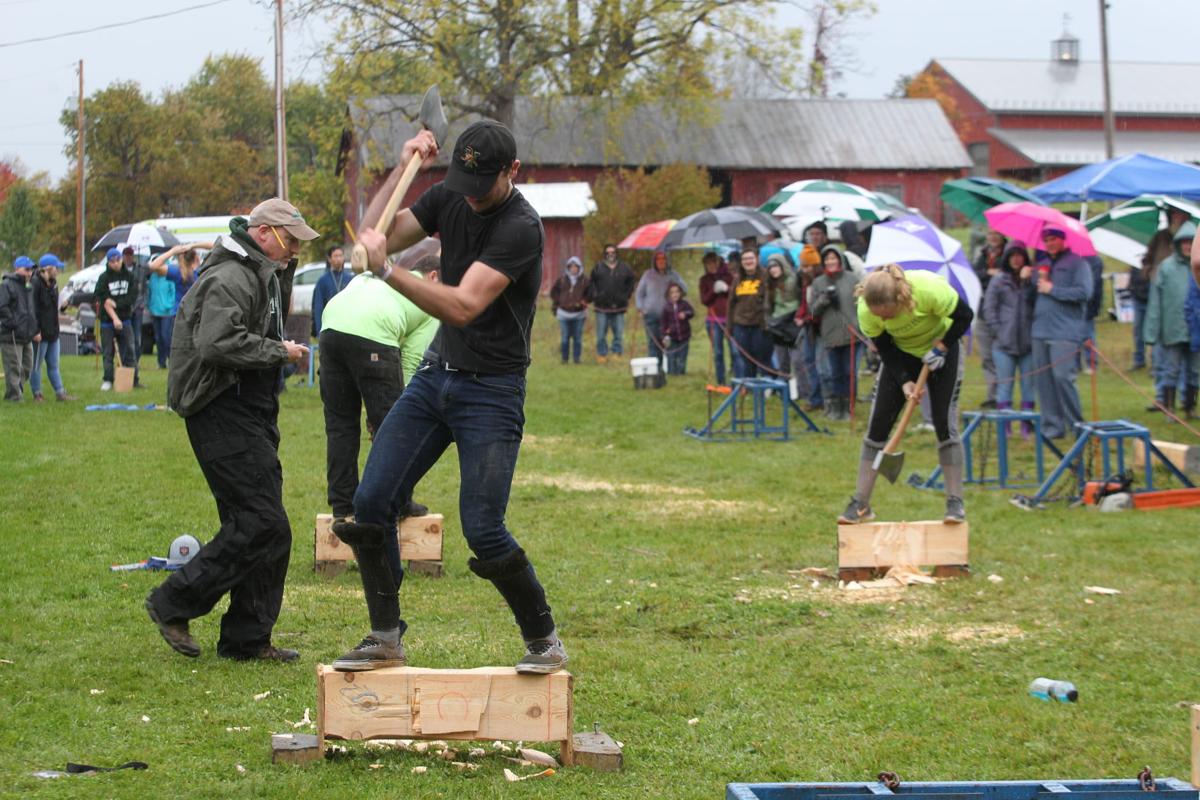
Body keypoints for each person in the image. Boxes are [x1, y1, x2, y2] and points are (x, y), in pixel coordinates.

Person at [331, 119, 567, 675]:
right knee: (370, 502)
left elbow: (461, 305)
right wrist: (400, 165)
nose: (469, 191)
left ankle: (544, 640)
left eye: (482, 181)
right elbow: (374, 233)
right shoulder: (450, 193)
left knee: (484, 526)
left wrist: (387, 269)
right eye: (463, 178)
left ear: (512, 172)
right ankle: (385, 635)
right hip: (438, 375)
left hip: (493, 389)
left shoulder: (521, 227)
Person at [144, 198, 315, 662]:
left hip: (249, 410)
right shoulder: (230, 276)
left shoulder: (258, 272)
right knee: (262, 521)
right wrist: (279, 351)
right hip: (220, 409)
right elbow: (217, 343)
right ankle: (172, 603)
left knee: (267, 529)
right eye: (291, 239)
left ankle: (246, 639)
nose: (296, 248)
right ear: (264, 233)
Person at [319, 252, 440, 580]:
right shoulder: (428, 300)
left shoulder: (378, 275)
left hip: (330, 329)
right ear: (433, 277)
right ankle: (397, 504)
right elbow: (413, 360)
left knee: (341, 428)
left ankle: (343, 508)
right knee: (394, 431)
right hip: (374, 335)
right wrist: (397, 407)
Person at [840, 265, 974, 525]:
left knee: (944, 423)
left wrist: (943, 347)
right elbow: (885, 349)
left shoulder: (928, 290)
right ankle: (860, 503)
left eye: (888, 314)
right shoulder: (866, 310)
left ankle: (955, 502)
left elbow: (965, 316)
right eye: (880, 316)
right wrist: (904, 381)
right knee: (878, 426)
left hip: (942, 352)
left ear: (899, 300)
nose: (885, 320)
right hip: (901, 357)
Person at [1029, 227, 1093, 440]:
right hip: (1040, 330)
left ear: (1064, 240)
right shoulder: (1043, 265)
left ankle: (1076, 426)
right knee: (1044, 381)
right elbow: (1032, 296)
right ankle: (1052, 428)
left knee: (1063, 377)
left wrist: (1052, 290)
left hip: (1065, 331)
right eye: (1046, 240)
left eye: (1054, 239)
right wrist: (1028, 278)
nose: (1050, 243)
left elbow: (1084, 292)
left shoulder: (1078, 263)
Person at [1144, 222, 1197, 420]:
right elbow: (1155, 302)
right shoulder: (1166, 268)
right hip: (1172, 328)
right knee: (1171, 369)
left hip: (1195, 329)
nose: (1187, 246)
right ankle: (1169, 409)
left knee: (1194, 371)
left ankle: (1190, 407)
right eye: (1184, 242)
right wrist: (1151, 332)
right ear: (1177, 244)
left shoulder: (1198, 267)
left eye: (1191, 242)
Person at [983, 242, 1035, 435]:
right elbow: (989, 308)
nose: (1016, 259)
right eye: (1012, 255)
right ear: (1007, 258)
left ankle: (1027, 425)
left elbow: (1036, 304)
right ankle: (1005, 425)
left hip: (1028, 343)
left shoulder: (1032, 280)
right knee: (1005, 384)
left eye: (1020, 255)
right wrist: (998, 331)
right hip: (1003, 344)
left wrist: (1026, 283)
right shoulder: (998, 281)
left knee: (1028, 385)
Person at [809, 246, 861, 421]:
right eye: (827, 259)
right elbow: (813, 312)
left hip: (851, 333)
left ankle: (849, 406)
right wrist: (823, 300)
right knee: (834, 372)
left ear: (839, 259)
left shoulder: (852, 279)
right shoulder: (818, 283)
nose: (831, 262)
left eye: (833, 258)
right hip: (830, 334)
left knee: (849, 371)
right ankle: (836, 406)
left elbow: (861, 305)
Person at [148, 242, 208, 369]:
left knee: (181, 350)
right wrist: (195, 245)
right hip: (199, 315)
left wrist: (172, 251)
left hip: (180, 315)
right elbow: (216, 245)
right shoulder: (201, 271)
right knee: (197, 351)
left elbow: (153, 266)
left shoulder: (177, 272)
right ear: (196, 257)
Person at [29, 254, 74, 402]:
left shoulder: (54, 284)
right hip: (40, 333)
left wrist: (62, 307)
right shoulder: (34, 284)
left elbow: (53, 308)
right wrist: (35, 331)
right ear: (48, 268)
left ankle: (60, 393)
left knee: (54, 365)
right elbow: (32, 309)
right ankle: (37, 394)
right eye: (56, 268)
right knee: (36, 366)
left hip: (53, 331)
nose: (58, 271)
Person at [94, 246, 139, 391]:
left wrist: (116, 304)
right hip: (107, 321)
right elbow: (100, 296)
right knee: (108, 352)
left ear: (121, 260)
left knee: (130, 350)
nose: (116, 263)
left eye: (118, 260)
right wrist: (109, 306)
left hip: (125, 318)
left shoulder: (130, 276)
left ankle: (133, 379)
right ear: (108, 263)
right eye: (112, 261)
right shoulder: (103, 278)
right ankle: (108, 379)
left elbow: (132, 297)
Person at [635, 250, 686, 374]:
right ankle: (655, 371)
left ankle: (672, 371)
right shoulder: (648, 275)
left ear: (667, 260)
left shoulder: (673, 275)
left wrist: (676, 281)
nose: (661, 261)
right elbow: (639, 294)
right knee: (653, 344)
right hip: (651, 316)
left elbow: (684, 289)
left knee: (668, 343)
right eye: (658, 259)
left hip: (668, 317)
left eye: (663, 258)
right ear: (654, 261)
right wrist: (641, 308)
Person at [972, 230, 1006, 408]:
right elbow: (974, 275)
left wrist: (990, 275)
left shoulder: (1009, 253)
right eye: (990, 234)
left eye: (996, 234)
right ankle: (992, 394)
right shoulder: (982, 254)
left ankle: (1002, 394)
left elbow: (1005, 277)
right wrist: (989, 273)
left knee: (1001, 356)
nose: (992, 237)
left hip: (1002, 314)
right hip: (982, 312)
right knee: (987, 357)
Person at [727, 248, 772, 380]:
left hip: (759, 324)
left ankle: (766, 384)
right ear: (741, 262)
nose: (748, 261)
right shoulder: (737, 279)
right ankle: (749, 384)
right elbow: (731, 304)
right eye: (745, 259)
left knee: (762, 356)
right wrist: (729, 327)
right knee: (745, 356)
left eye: (750, 258)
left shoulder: (765, 276)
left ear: (756, 259)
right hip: (740, 324)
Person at [587, 243, 636, 362]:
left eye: (613, 252)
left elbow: (631, 281)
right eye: (608, 253)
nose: (610, 255)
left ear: (616, 254)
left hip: (619, 307)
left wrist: (626, 295)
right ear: (605, 254)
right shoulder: (598, 267)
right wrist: (595, 295)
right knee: (601, 334)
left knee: (618, 333)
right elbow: (591, 283)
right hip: (601, 307)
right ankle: (602, 354)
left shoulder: (625, 267)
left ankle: (616, 353)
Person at [0, 255, 37, 402]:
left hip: (26, 333)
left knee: (28, 365)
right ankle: (14, 396)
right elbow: (2, 306)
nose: (29, 273)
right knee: (14, 366)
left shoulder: (29, 287)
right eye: (26, 269)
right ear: (17, 269)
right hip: (11, 334)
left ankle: (17, 389)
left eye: (31, 270)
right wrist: (12, 322)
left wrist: (34, 326)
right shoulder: (7, 285)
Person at [765, 253, 802, 383]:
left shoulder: (794, 280)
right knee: (782, 361)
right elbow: (768, 306)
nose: (773, 269)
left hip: (793, 324)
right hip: (777, 325)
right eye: (770, 267)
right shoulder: (770, 284)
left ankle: (803, 391)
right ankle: (784, 390)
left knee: (798, 361)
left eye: (775, 266)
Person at [698, 250, 732, 385]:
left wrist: (726, 288)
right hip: (713, 321)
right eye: (708, 264)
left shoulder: (729, 276)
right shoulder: (704, 280)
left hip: (730, 319)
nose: (711, 266)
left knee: (735, 352)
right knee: (718, 353)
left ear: (718, 262)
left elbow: (735, 295)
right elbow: (704, 300)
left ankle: (737, 379)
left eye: (713, 262)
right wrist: (714, 290)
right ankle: (721, 381)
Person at [549, 256, 589, 364]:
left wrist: (583, 301)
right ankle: (564, 359)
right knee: (565, 338)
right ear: (568, 268)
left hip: (579, 314)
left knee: (577, 338)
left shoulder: (585, 280)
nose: (573, 268)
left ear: (579, 267)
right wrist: (561, 301)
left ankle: (577, 359)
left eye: (576, 266)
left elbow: (590, 294)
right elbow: (553, 293)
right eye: (571, 266)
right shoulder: (561, 279)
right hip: (563, 314)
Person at [312, 244, 350, 335]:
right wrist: (319, 329)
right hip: (330, 324)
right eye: (335, 256)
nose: (338, 259)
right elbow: (318, 306)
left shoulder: (349, 278)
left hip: (347, 324)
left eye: (340, 256)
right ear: (329, 259)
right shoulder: (322, 281)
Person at [659, 281, 694, 375]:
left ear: (680, 293)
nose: (675, 294)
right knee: (671, 355)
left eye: (677, 292)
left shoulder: (684, 304)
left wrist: (686, 314)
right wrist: (663, 336)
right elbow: (663, 323)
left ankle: (681, 372)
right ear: (668, 295)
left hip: (684, 336)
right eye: (672, 292)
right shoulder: (666, 308)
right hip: (672, 337)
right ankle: (672, 373)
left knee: (682, 356)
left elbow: (691, 312)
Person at [1129, 252, 1152, 370]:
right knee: (1138, 332)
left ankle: (1155, 363)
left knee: (1154, 333)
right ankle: (1139, 360)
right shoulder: (1135, 262)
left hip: (1152, 301)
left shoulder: (1156, 262)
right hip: (1138, 300)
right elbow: (1132, 280)